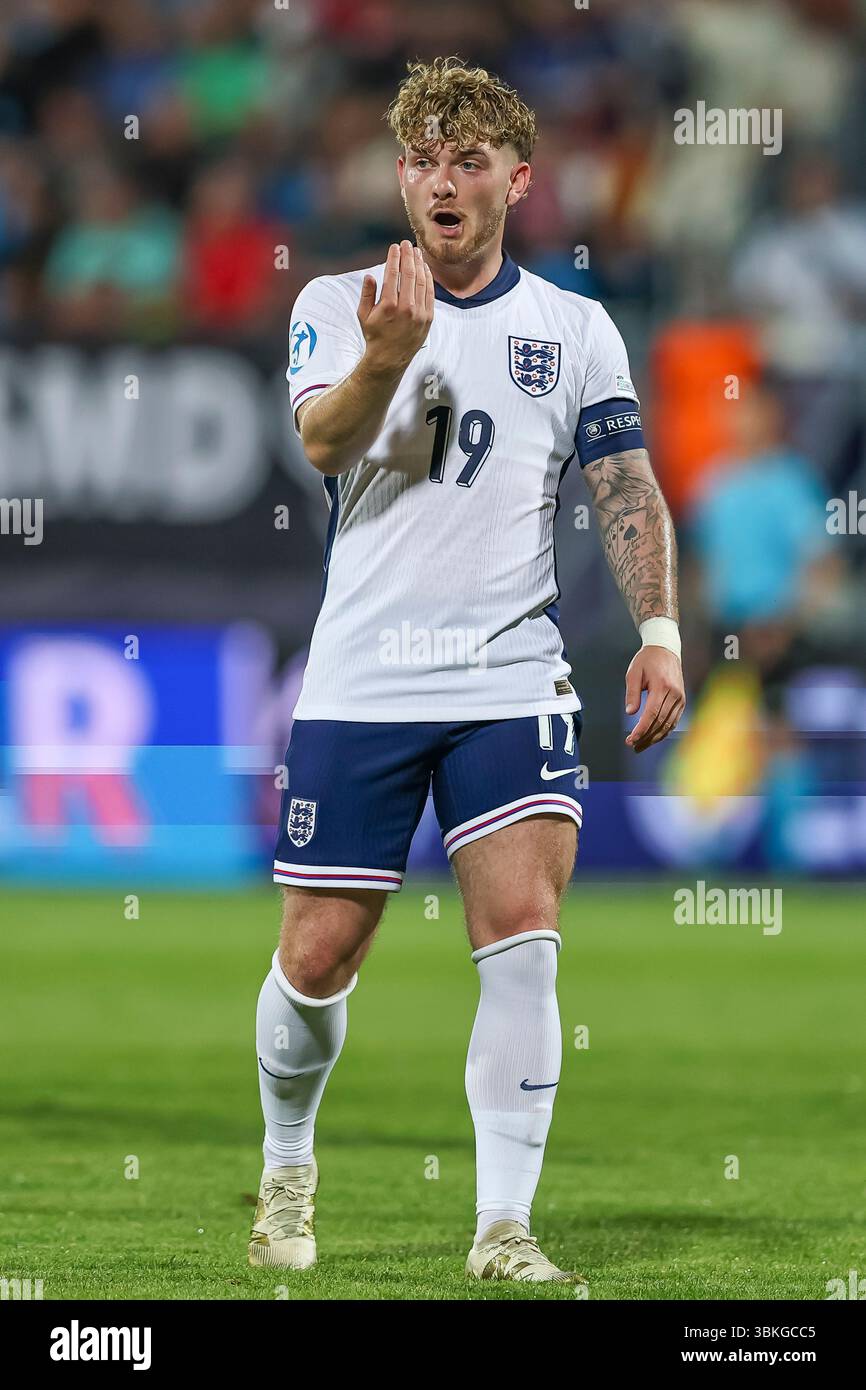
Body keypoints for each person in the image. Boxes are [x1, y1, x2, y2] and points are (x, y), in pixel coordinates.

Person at [249, 57, 684, 1285]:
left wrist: (657, 631)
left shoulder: (573, 326)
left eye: (469, 160)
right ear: (399, 176)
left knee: (524, 934)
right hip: (364, 677)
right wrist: (388, 355)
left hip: (511, 676)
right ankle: (289, 1161)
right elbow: (323, 443)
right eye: (423, 161)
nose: (443, 182)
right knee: (320, 952)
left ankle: (502, 1226)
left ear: (516, 180)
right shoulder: (340, 302)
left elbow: (623, 487)